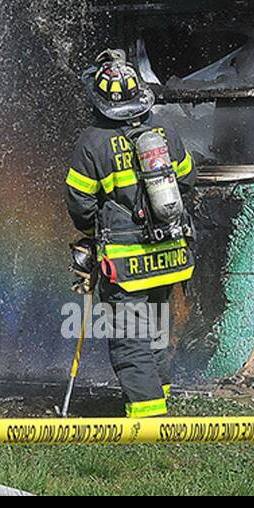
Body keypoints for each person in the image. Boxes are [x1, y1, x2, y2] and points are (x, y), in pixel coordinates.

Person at [64, 49, 195, 418]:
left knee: (129, 340)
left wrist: (95, 230)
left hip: (127, 263)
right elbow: (186, 177)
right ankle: (162, 401)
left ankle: (149, 420)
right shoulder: (165, 128)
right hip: (170, 254)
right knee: (155, 332)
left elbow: (80, 205)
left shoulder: (92, 142)